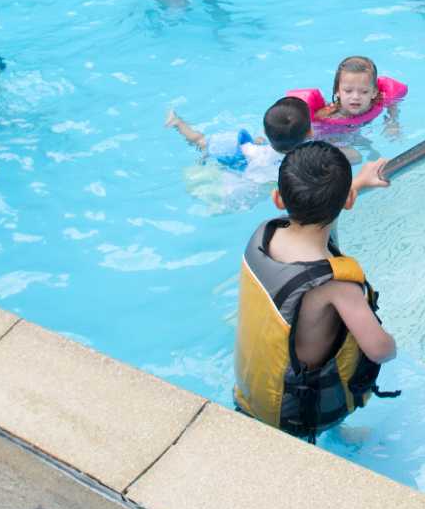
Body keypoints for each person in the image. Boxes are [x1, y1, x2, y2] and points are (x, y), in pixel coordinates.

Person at [233, 142, 396, 439]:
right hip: (296, 416)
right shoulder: (336, 286)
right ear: (348, 200)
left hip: (251, 389)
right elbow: (380, 350)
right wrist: (391, 342)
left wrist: (356, 182)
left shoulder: (266, 234)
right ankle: (339, 435)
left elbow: (312, 221)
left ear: (278, 199)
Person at [168, 96, 315, 184]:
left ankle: (176, 122)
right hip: (262, 185)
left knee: (202, 142)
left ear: (265, 131)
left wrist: (255, 143)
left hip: (237, 177)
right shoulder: (311, 161)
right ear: (310, 132)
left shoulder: (251, 151)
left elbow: (201, 142)